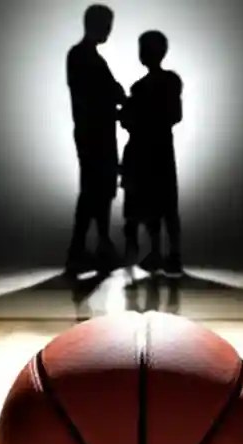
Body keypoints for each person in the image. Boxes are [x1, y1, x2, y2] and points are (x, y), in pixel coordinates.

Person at [65, 5, 126, 276]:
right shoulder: (83, 57)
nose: (109, 32)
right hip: (94, 132)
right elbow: (105, 94)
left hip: (97, 131)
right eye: (107, 26)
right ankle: (81, 249)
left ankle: (98, 246)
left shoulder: (85, 56)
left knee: (99, 190)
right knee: (94, 190)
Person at [119, 30, 183, 277]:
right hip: (155, 148)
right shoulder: (164, 82)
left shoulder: (145, 86)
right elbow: (173, 115)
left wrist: (135, 115)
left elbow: (172, 115)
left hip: (149, 148)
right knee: (159, 203)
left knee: (158, 203)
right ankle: (162, 253)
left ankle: (165, 253)